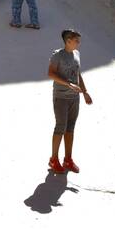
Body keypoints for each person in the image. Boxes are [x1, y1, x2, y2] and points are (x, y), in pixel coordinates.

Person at [47, 28, 92, 173]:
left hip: (75, 98)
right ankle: (54, 159)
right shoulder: (57, 55)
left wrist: (85, 92)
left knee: (70, 128)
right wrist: (68, 84)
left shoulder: (77, 54)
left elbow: (78, 74)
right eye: (76, 41)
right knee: (60, 127)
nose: (79, 43)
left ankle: (68, 159)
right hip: (61, 97)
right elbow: (51, 73)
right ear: (68, 41)